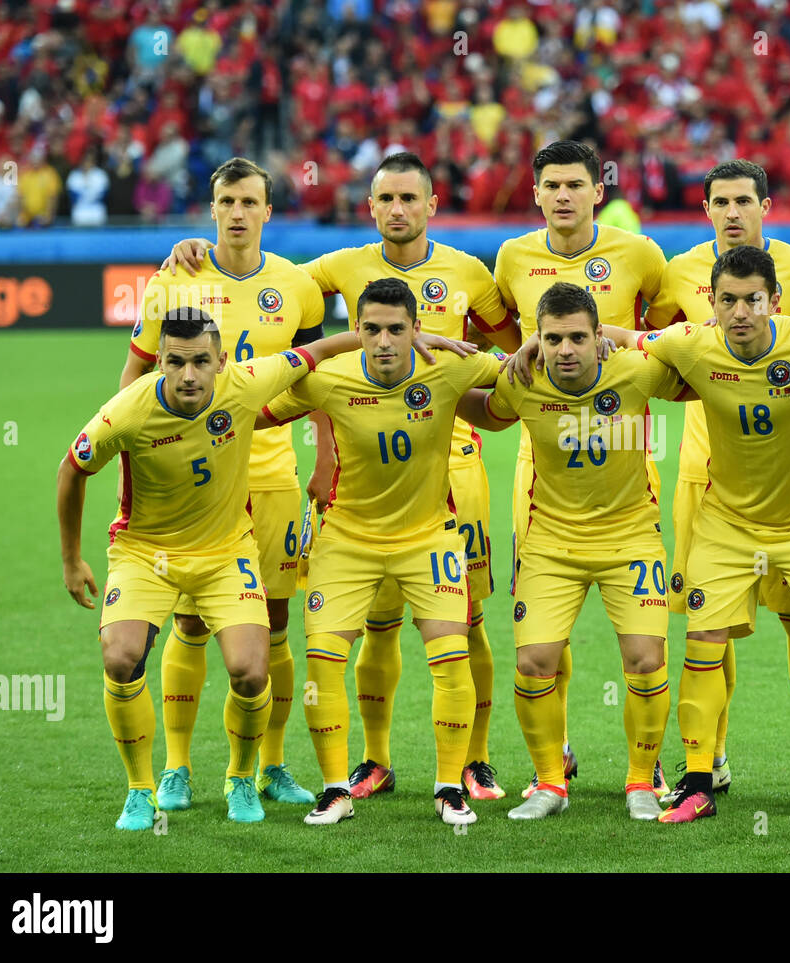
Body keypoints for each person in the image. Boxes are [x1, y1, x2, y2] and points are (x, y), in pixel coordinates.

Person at [163, 152, 522, 803]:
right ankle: (374, 760)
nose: (398, 209)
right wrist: (188, 252)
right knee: (374, 623)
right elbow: (257, 282)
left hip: (454, 466)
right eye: (386, 199)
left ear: (432, 204)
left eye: (410, 198)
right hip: (361, 472)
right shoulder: (337, 268)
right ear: (371, 206)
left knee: (465, 619)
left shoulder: (468, 272)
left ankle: (476, 759)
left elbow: (513, 343)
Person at [604, 245, 790, 824]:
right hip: (725, 525)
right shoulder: (690, 343)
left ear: (774, 300)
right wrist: (557, 335)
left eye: (753, 299)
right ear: (711, 302)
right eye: (727, 300)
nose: (740, 312)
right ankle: (699, 781)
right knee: (704, 641)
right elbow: (626, 338)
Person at [58, 310, 357, 829]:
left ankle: (242, 777)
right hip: (144, 554)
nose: (189, 375)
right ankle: (140, 789)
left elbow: (318, 351)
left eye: (200, 361)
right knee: (121, 657)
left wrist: (393, 334)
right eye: (175, 362)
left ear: (222, 362)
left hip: (225, 554)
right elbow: (72, 469)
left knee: (250, 670)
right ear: (160, 364)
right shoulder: (127, 412)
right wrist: (70, 558)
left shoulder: (244, 383)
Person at [257, 278, 505, 826]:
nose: (385, 341)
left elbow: (518, 375)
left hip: (429, 539)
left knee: (451, 653)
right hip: (347, 542)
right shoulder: (327, 379)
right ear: (356, 332)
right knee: (324, 663)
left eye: (397, 329)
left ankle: (448, 787)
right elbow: (256, 413)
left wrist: (542, 351)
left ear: (418, 331)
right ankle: (334, 790)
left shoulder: (450, 367)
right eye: (371, 329)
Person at [120, 157, 327, 813]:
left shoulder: (296, 285)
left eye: (250, 201)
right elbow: (132, 380)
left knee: (273, 623)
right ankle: (177, 768)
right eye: (227, 201)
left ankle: (268, 766)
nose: (238, 212)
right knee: (190, 620)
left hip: (270, 473)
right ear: (212, 209)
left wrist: (326, 457)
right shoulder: (174, 278)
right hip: (191, 479)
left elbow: (316, 380)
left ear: (269, 211)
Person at [457, 282, 692, 821]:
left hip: (631, 540)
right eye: (553, 338)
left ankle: (640, 782)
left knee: (646, 660)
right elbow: (486, 412)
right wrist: (433, 387)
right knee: (534, 663)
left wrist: (626, 336)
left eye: (579, 338)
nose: (565, 350)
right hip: (551, 546)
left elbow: (696, 362)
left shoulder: (637, 370)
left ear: (598, 337)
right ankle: (548, 785)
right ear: (537, 340)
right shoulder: (524, 380)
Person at [644, 159, 790, 806]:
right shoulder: (677, 273)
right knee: (708, 626)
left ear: (767, 204)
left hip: (787, 476)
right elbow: (653, 349)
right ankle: (711, 758)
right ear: (705, 209)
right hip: (706, 475)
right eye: (720, 201)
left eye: (743, 200)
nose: (732, 212)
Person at [493, 139, 668, 797]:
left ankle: (653, 764)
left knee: (649, 630)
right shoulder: (512, 258)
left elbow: (676, 329)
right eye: (551, 185)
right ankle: (555, 754)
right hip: (541, 462)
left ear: (600, 190)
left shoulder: (640, 254)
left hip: (627, 449)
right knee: (544, 621)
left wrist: (620, 341)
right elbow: (491, 340)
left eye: (575, 184)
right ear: (535, 193)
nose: (562, 194)